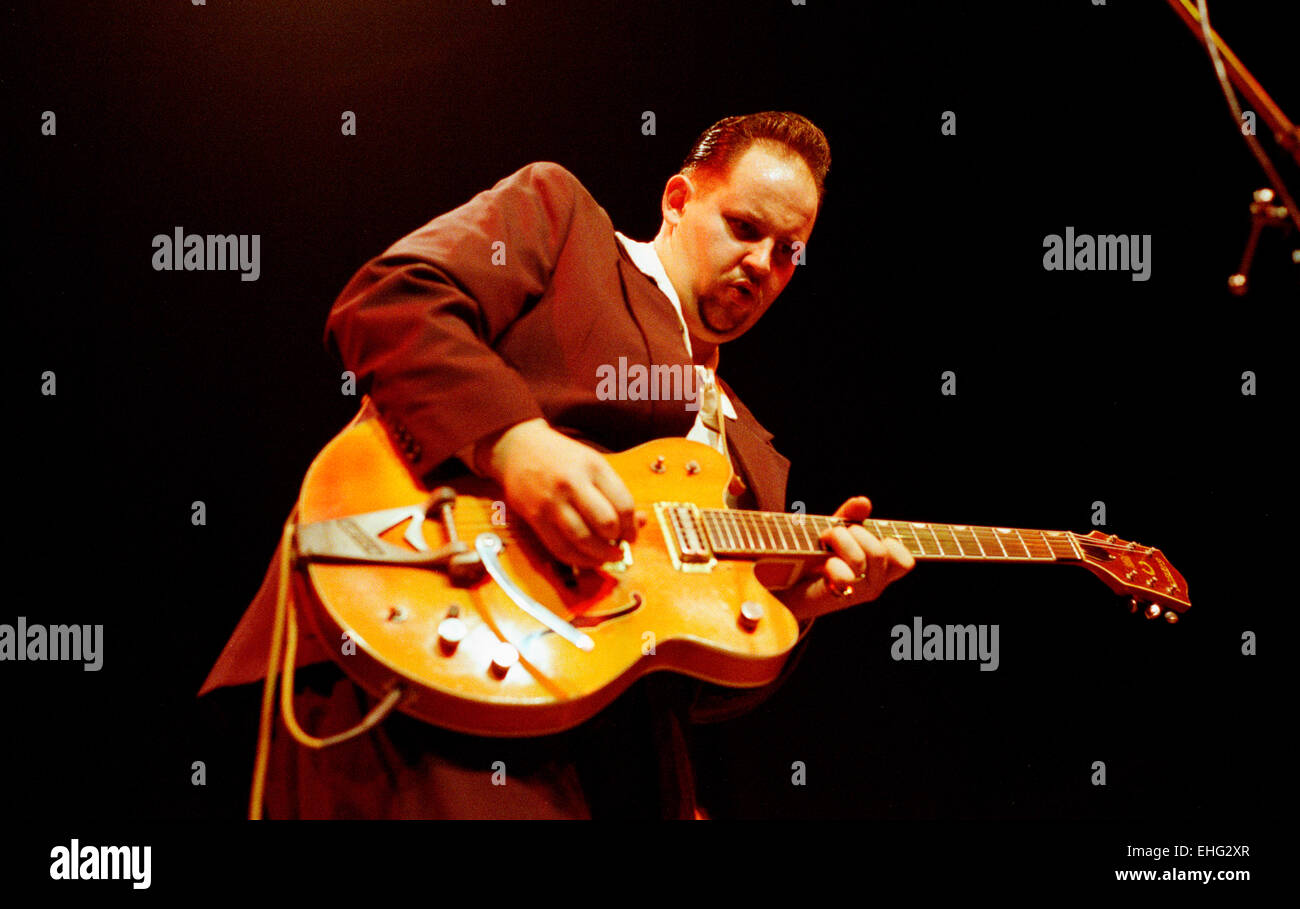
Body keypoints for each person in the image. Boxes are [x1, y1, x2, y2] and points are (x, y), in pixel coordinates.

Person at [199, 111, 915, 818]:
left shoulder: (753, 452)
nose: (763, 263)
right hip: (429, 678)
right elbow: (389, 300)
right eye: (745, 227)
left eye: (789, 251)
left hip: (611, 762)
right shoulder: (564, 221)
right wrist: (515, 442)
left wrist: (798, 605)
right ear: (677, 200)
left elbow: (685, 680)